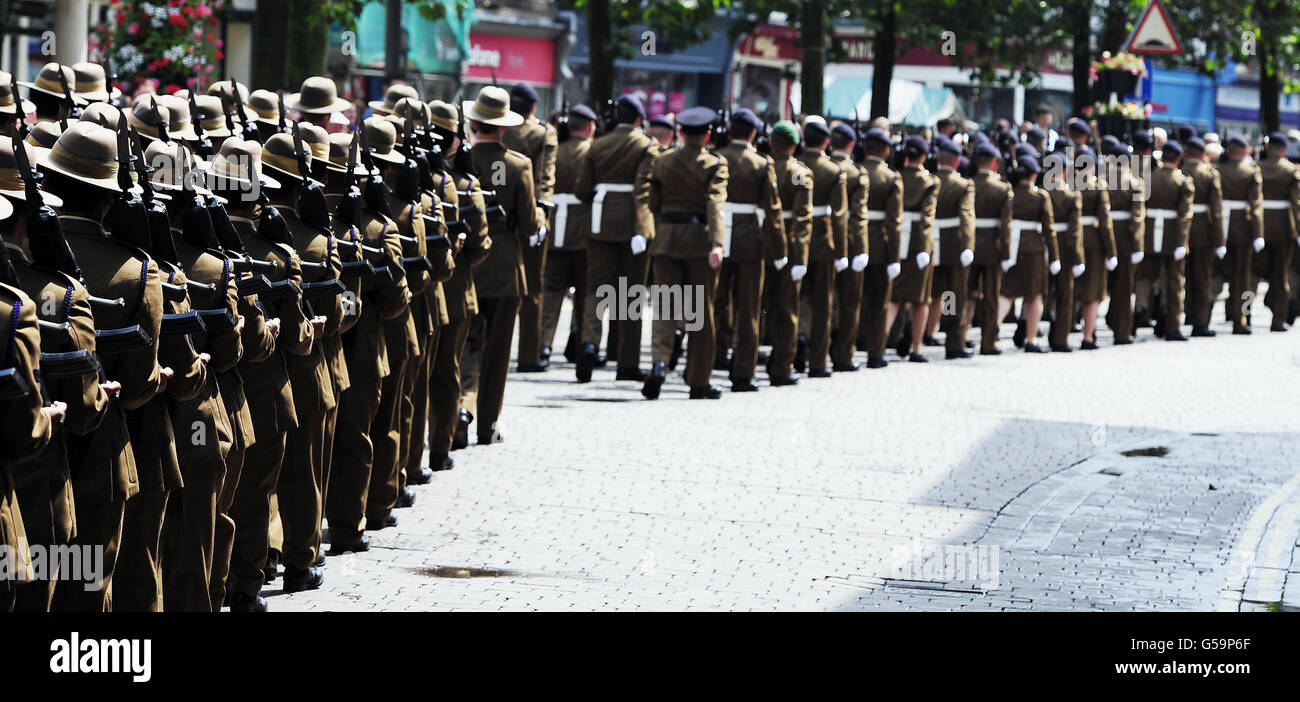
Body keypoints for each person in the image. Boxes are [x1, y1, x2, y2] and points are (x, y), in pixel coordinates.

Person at [466, 86, 538, 443]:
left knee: (465, 346)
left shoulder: (458, 162)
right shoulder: (519, 164)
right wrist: (540, 216)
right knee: (497, 355)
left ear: (475, 122)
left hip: (467, 267)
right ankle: (486, 424)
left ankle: (458, 414)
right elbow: (528, 224)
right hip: (506, 268)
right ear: (504, 127)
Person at [642, 106, 729, 400]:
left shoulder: (663, 161)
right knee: (700, 314)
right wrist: (717, 242)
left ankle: (658, 363)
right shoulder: (714, 164)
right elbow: (715, 204)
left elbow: (652, 202)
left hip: (666, 239)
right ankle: (698, 380)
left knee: (665, 307)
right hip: (697, 243)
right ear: (707, 135)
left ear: (680, 132)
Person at [573, 94, 656, 383]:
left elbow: (582, 190)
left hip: (599, 223)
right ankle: (627, 362)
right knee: (630, 293)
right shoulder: (647, 145)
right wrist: (643, 229)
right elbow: (645, 190)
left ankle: (589, 344)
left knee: (596, 289)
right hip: (633, 226)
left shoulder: (598, 145)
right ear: (638, 118)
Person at [714, 108, 784, 391]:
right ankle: (743, 371)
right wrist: (780, 250)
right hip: (750, 240)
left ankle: (713, 356)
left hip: (719, 236)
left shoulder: (717, 158)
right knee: (749, 309)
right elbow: (773, 211)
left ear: (730, 131)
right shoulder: (762, 164)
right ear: (754, 133)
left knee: (717, 302)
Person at [503, 84, 558, 372]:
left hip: (499, 217)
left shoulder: (500, 127)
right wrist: (541, 213)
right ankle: (528, 355)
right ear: (533, 108)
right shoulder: (543, 133)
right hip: (531, 214)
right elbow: (545, 177)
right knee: (533, 288)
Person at [541, 104, 596, 367]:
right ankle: (580, 339)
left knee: (551, 289)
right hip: (583, 229)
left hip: (555, 227)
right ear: (589, 127)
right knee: (585, 291)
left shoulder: (555, 150)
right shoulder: (591, 151)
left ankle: (544, 343)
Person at [794, 118, 847, 375]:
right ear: (826, 142)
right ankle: (818, 361)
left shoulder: (796, 167)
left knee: (796, 298)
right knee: (822, 303)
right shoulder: (834, 170)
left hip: (796, 238)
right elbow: (840, 215)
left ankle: (796, 343)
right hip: (824, 241)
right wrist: (842, 250)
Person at [761, 121, 811, 386]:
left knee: (752, 305)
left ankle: (742, 359)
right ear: (794, 145)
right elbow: (803, 219)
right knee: (787, 309)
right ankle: (781, 365)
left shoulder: (762, 166)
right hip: (789, 248)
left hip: (760, 244)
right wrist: (800, 255)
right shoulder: (799, 173)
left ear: (771, 142)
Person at [998, 154, 1058, 354]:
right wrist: (1055, 257)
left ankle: (990, 333)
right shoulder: (1040, 196)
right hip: (1034, 250)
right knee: (1034, 297)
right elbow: (1049, 230)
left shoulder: (1010, 194)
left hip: (1013, 248)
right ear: (1034, 174)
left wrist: (1006, 251)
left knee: (1007, 294)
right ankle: (1031, 339)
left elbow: (1004, 224)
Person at [889, 136, 939, 362]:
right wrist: (922, 246)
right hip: (919, 242)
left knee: (894, 298)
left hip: (896, 239)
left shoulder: (895, 176)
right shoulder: (929, 181)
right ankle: (916, 348)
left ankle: (880, 344)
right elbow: (927, 217)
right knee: (920, 300)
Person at [925, 136, 975, 359]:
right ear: (956, 161)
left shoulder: (929, 180)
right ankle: (953, 340)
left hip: (930, 243)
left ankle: (922, 332)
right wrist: (967, 245)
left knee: (930, 292)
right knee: (953, 295)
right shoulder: (962, 185)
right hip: (953, 245)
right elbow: (966, 217)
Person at [826, 123, 870, 372]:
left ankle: (815, 349)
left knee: (821, 300)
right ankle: (842, 354)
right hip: (849, 243)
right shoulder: (855, 173)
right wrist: (860, 248)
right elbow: (857, 216)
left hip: (821, 240)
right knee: (849, 301)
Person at [1141, 141, 1195, 341]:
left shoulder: (1148, 178)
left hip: (1149, 234)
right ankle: (1173, 327)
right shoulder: (1183, 181)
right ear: (1179, 159)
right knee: (1174, 283)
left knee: (1145, 278)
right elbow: (1185, 216)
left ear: (1161, 157)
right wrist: (1182, 242)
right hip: (1172, 236)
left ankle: (1138, 313)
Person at [1214, 135, 1264, 334]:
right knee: (1244, 278)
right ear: (1244, 152)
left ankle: (1202, 317)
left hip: (1220, 228)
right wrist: (1258, 233)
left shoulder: (1216, 170)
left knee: (1214, 273)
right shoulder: (1251, 172)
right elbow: (1256, 205)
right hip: (1244, 228)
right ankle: (1241, 319)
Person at [967, 142, 1013, 355]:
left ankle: (957, 337)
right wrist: (1006, 252)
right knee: (991, 297)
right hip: (993, 248)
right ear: (995, 163)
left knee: (962, 294)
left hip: (969, 245)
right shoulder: (1003, 188)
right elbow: (1006, 226)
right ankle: (988, 342)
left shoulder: (967, 184)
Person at [1180, 137, 1226, 337]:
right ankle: (1200, 321)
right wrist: (1219, 239)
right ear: (1203, 155)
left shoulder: (1179, 172)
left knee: (1181, 276)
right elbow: (1216, 211)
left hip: (1180, 231)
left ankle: (1185, 314)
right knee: (1202, 277)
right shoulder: (1210, 174)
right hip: (1204, 233)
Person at [1103, 137, 1146, 345]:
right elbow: (1137, 218)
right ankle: (1121, 332)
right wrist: (1138, 245)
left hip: (1102, 238)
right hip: (1126, 240)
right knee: (1124, 287)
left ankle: (1090, 331)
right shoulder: (1135, 182)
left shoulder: (1100, 180)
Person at [1254, 132, 1299, 332]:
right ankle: (1278, 320)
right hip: (1283, 227)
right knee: (1280, 276)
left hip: (1258, 227)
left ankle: (1243, 314)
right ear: (1284, 149)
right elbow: (1297, 203)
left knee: (1250, 275)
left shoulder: (1256, 168)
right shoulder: (1291, 171)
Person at [1073, 148, 1117, 350]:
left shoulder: (1066, 185)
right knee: (1092, 292)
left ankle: (1060, 334)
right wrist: (1111, 251)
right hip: (1093, 243)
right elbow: (1105, 223)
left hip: (1069, 240)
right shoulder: (1098, 187)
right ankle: (1088, 336)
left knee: (1068, 289)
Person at [1043, 150, 1083, 352]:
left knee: (1039, 293)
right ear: (1065, 171)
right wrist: (1078, 258)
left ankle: (1027, 333)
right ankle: (1060, 338)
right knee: (1065, 295)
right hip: (1065, 248)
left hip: (1041, 246)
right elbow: (1075, 232)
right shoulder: (1072, 195)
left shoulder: (1040, 193)